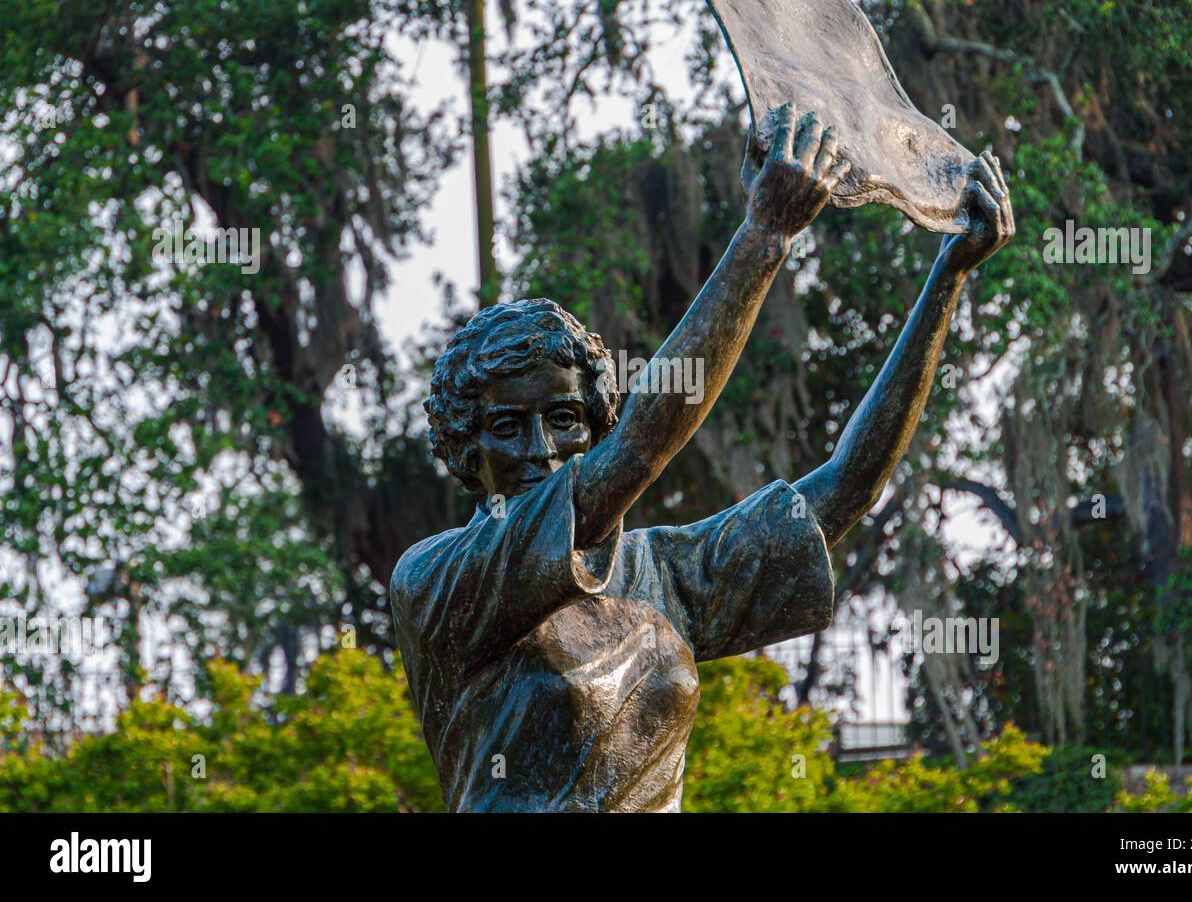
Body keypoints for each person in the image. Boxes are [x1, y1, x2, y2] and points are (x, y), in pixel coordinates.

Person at [390, 103, 1015, 811]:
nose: (539, 449)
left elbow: (844, 488)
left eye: (563, 419)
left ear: (592, 425)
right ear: (464, 452)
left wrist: (948, 276)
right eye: (507, 426)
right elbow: (636, 453)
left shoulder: (657, 573)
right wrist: (765, 234)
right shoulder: (439, 579)